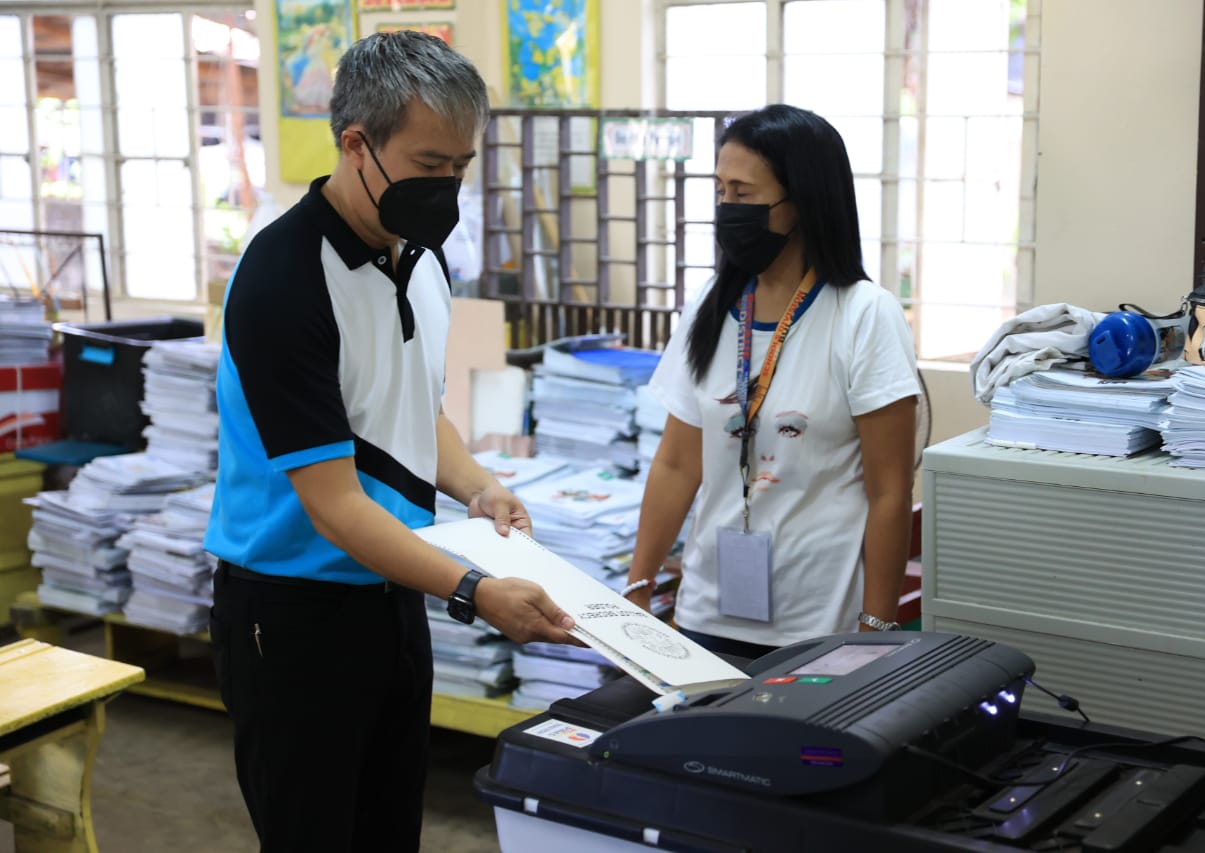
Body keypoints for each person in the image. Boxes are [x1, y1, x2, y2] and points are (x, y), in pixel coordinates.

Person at [204, 32, 575, 852]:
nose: (446, 188)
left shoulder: (420, 258)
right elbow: (334, 505)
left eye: (460, 168)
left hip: (390, 596)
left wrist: (475, 483)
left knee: (387, 833)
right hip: (291, 616)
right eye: (429, 165)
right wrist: (476, 589)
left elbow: (407, 413)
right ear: (355, 143)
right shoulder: (283, 279)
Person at [624, 104, 919, 660]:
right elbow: (677, 464)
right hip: (706, 611)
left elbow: (889, 492)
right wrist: (637, 589)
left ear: (802, 202)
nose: (727, 209)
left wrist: (876, 628)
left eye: (745, 193)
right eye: (721, 192)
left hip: (819, 624)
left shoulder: (864, 315)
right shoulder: (711, 309)